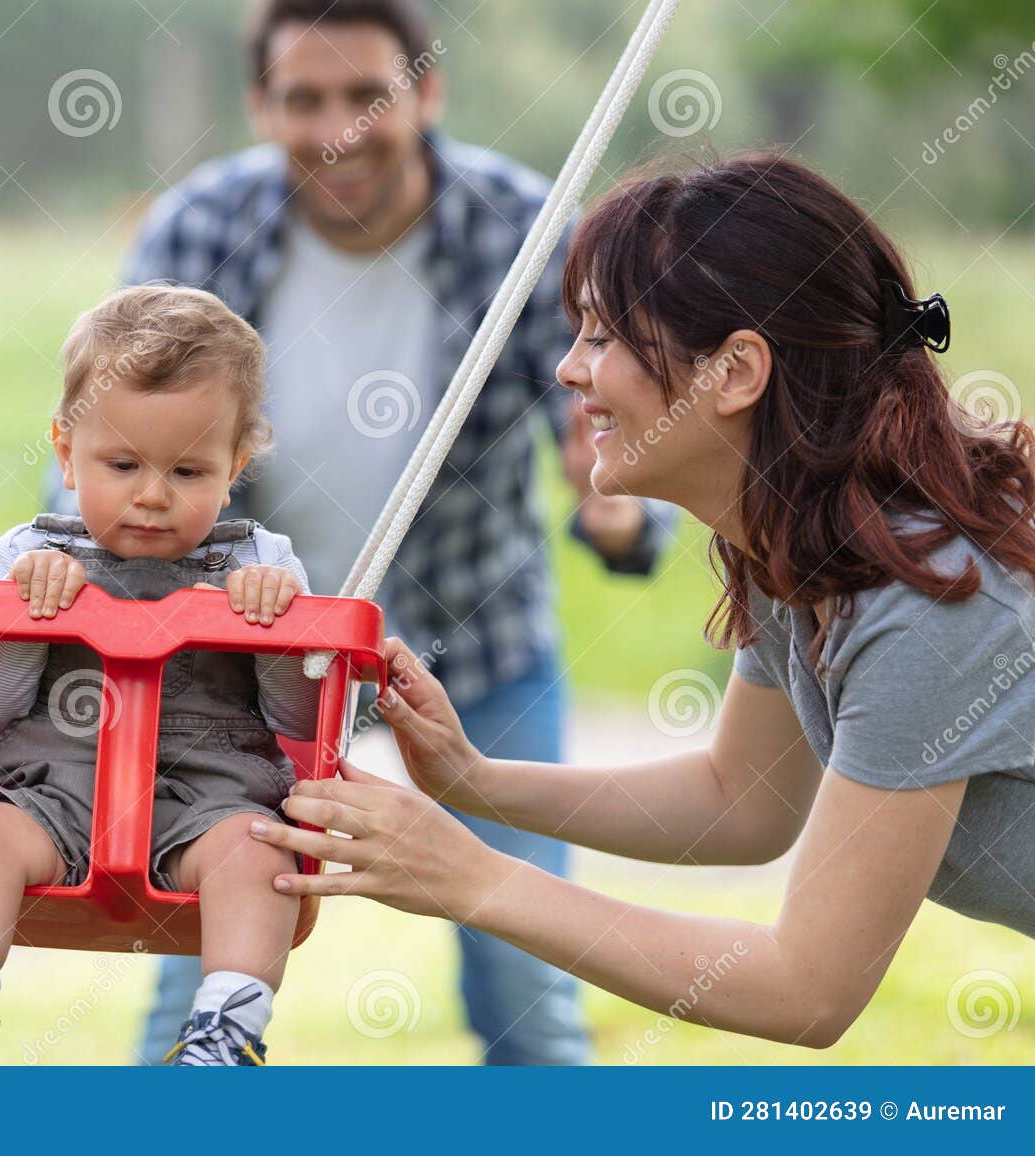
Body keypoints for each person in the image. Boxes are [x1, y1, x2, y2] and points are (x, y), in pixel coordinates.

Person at [248, 150, 1035, 1050]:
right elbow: (743, 798)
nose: (569, 373)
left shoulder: (924, 596)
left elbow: (808, 991)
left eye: (603, 335)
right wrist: (478, 784)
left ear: (735, 371)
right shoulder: (815, 537)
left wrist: (473, 878)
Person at [47, 0, 672, 1066]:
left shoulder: (518, 229)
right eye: (303, 100)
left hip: (469, 647)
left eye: (365, 97)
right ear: (260, 107)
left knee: (526, 974)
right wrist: (61, 576)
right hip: (233, 658)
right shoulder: (199, 232)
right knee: (193, 952)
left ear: (424, 93)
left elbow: (620, 441)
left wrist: (612, 505)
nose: (335, 130)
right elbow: (112, 443)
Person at [0, 285, 325, 1067]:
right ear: (66, 452)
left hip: (209, 804)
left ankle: (226, 1035)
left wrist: (278, 629)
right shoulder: (29, 555)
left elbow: (305, 718)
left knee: (259, 854)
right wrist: (20, 617)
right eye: (122, 464)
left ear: (235, 465)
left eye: (187, 470)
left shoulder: (261, 566)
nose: (152, 494)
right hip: (51, 799)